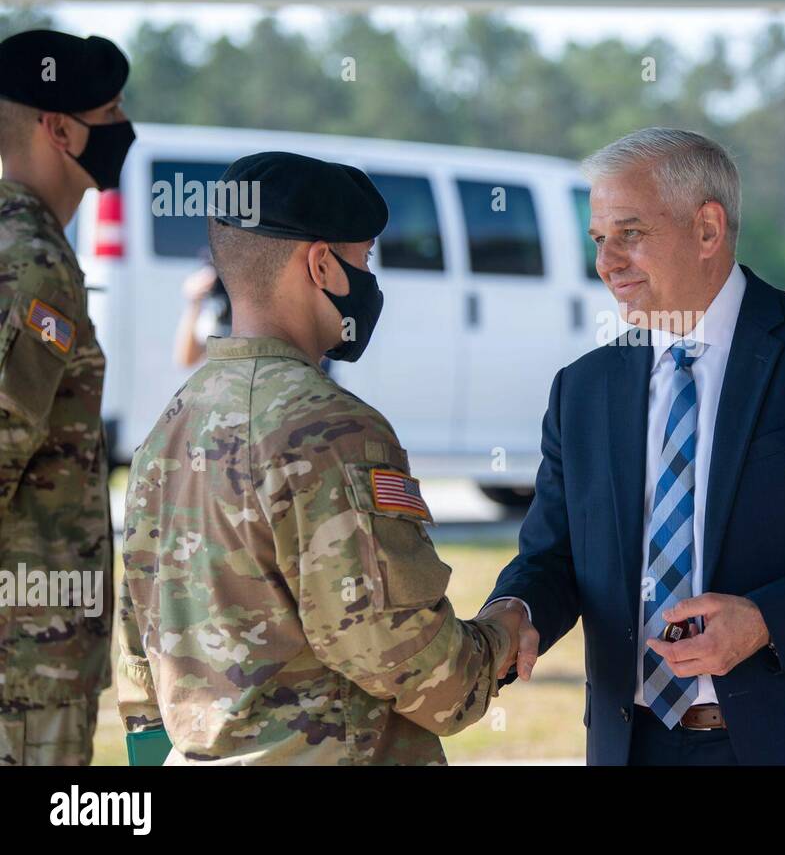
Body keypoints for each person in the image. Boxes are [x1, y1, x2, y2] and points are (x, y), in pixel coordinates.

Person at [481, 128, 785, 765]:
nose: (607, 263)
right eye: (599, 240)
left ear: (708, 229)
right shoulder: (582, 390)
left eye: (630, 234)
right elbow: (552, 557)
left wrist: (768, 621)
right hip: (636, 748)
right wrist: (516, 608)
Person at [115, 152, 523, 764]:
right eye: (364, 260)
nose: (370, 281)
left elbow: (140, 657)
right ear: (322, 264)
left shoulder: (171, 424)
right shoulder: (334, 431)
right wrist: (504, 634)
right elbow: (418, 670)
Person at [0, 29, 134, 765]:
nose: (122, 129)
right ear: (58, 129)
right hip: (25, 668)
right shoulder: (35, 263)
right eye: (109, 111)